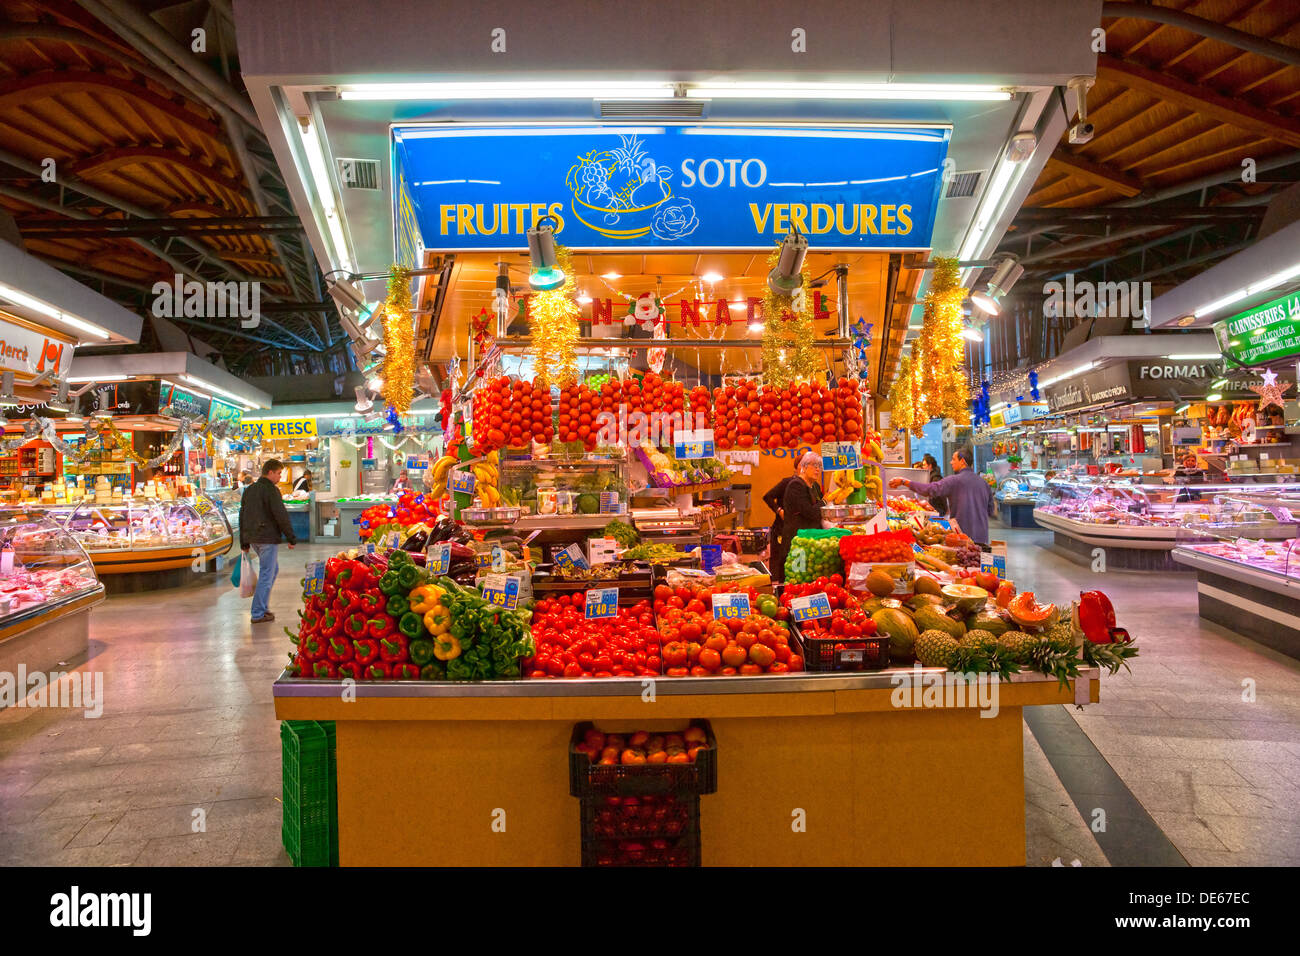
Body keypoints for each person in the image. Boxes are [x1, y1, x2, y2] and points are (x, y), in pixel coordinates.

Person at [890, 447, 994, 548]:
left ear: (962, 461)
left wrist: (905, 482)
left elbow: (930, 489)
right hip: (982, 537)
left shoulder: (954, 481)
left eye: (953, 459)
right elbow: (990, 510)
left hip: (962, 537)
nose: (951, 462)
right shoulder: (984, 483)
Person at [239, 459, 297, 624]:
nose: (280, 476)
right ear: (270, 472)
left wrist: (244, 542)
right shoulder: (271, 490)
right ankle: (258, 612)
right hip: (266, 538)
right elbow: (280, 514)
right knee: (267, 573)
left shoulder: (250, 490)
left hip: (254, 538)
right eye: (278, 473)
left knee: (272, 569)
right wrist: (291, 537)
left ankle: (261, 607)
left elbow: (243, 515)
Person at [773, 451, 824, 581]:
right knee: (795, 579)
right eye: (814, 466)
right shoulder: (796, 486)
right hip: (796, 544)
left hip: (805, 542)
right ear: (804, 467)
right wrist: (825, 502)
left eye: (819, 466)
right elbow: (811, 512)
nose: (818, 469)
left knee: (804, 578)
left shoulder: (812, 486)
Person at [761, 463, 799, 574]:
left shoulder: (810, 485)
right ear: (796, 468)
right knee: (780, 561)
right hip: (781, 528)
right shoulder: (786, 483)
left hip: (797, 529)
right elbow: (767, 496)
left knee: (795, 564)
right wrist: (779, 510)